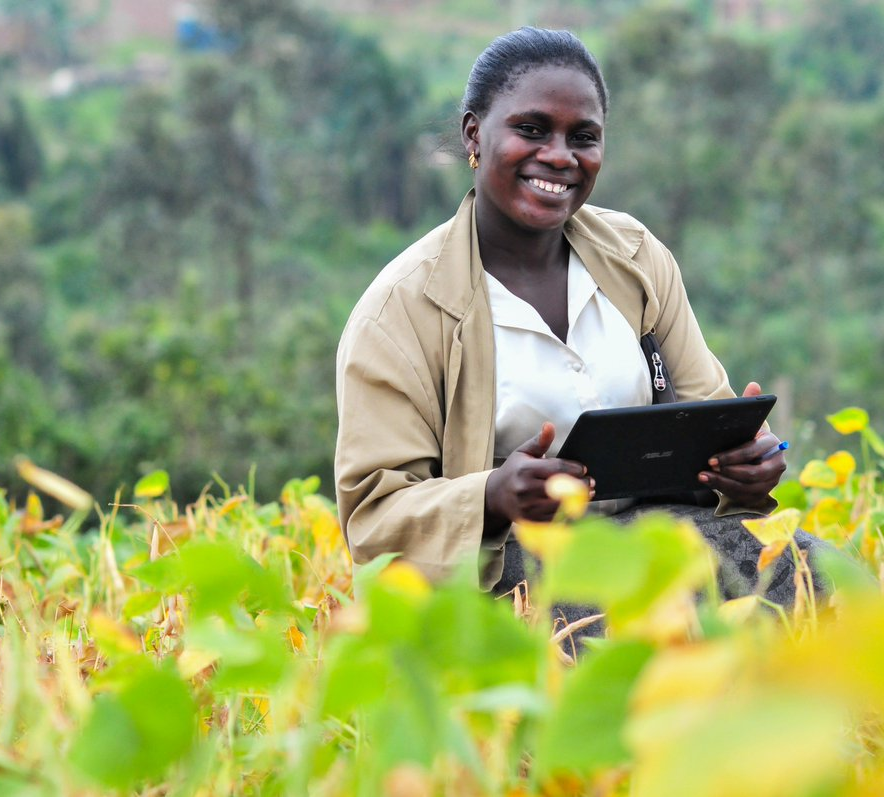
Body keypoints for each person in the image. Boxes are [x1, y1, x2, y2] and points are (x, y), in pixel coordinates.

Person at [335, 27, 816, 599]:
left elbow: (707, 414)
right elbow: (374, 517)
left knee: (824, 579)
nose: (559, 156)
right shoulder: (401, 310)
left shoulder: (635, 257)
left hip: (653, 539)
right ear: (474, 134)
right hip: (513, 566)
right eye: (531, 130)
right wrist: (491, 495)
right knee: (628, 639)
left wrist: (746, 469)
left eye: (582, 137)